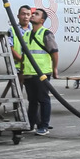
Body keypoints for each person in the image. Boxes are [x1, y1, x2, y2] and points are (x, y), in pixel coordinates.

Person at [11, 7, 59, 135]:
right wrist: (22, 72)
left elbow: (54, 52)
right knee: (32, 100)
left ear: (42, 20)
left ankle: (44, 126)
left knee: (43, 99)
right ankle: (31, 125)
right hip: (29, 73)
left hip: (41, 72)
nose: (32, 15)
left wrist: (54, 68)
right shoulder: (26, 34)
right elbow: (24, 55)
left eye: (36, 14)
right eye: (33, 13)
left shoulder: (46, 34)